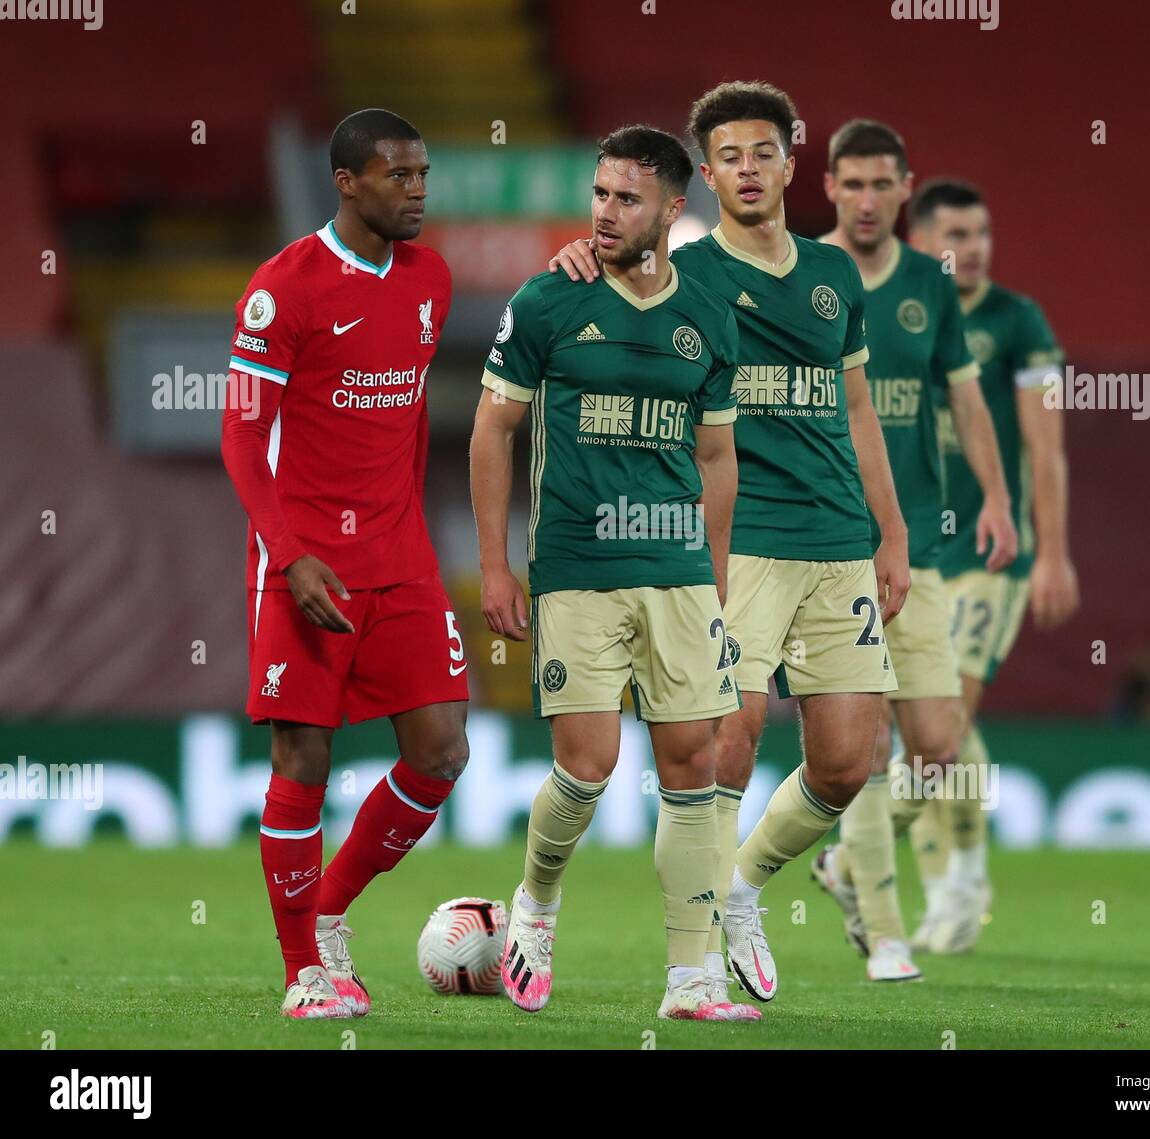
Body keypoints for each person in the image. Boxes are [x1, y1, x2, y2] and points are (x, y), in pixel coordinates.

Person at [549, 83, 909, 1005]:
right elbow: (606, 266)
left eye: (762, 152)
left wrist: (893, 528)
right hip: (741, 538)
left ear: (792, 159)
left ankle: (742, 889)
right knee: (728, 742)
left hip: (837, 537)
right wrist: (579, 255)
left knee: (846, 761)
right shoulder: (687, 272)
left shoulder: (835, 278)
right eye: (728, 158)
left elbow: (857, 404)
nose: (747, 170)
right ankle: (697, 958)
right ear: (702, 178)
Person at [471, 124, 760, 1021]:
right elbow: (493, 429)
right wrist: (495, 566)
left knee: (691, 767)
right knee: (588, 765)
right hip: (578, 567)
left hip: (677, 571)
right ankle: (537, 905)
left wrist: (712, 579)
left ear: (674, 209)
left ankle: (691, 980)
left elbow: (718, 458)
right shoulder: (551, 301)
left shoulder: (708, 315)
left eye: (625, 198)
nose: (604, 212)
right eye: (598, 193)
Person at [222, 108, 470, 1019]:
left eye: (424, 174)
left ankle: (327, 910)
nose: (417, 191)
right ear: (348, 182)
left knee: (443, 753)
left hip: (399, 557)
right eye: (399, 176)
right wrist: (287, 556)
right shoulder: (283, 289)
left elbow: (402, 428)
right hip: (306, 559)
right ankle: (301, 975)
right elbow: (242, 436)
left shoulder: (431, 281)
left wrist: (413, 545)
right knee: (305, 755)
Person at [812, 123, 1016, 982]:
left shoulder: (930, 284)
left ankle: (840, 866)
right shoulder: (797, 270)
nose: (865, 199)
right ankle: (883, 929)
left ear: (906, 189)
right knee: (856, 738)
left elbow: (964, 397)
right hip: (824, 538)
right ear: (826, 186)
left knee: (937, 739)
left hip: (921, 538)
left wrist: (999, 496)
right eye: (851, 182)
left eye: (880, 183)